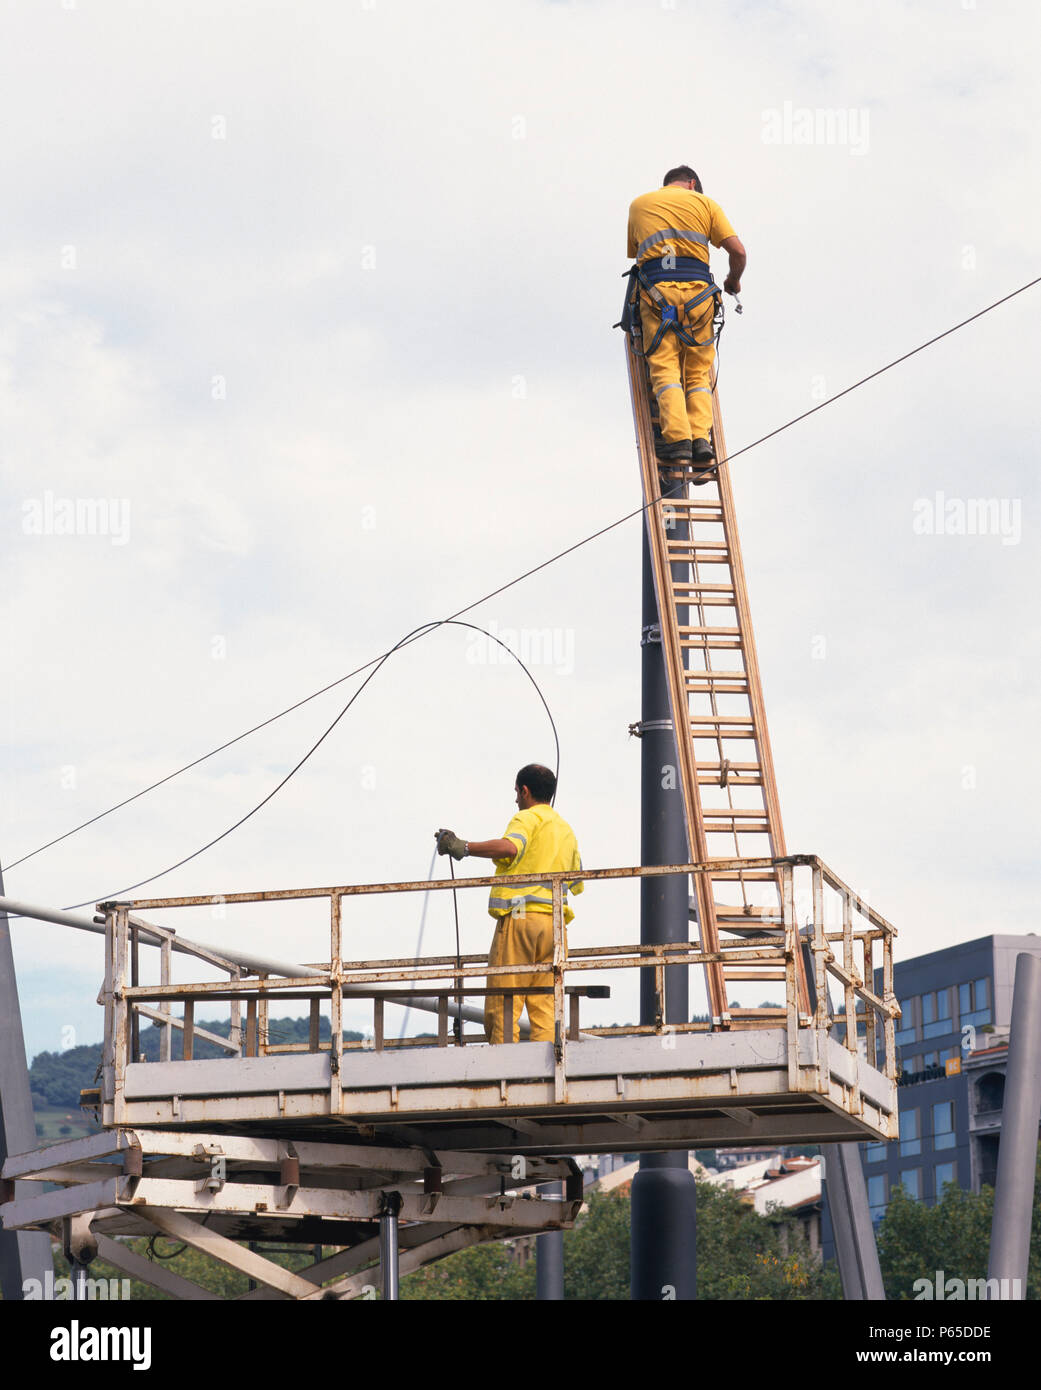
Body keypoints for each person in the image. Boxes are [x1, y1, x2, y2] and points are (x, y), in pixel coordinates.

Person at [435, 764, 582, 1045]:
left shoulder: (526, 818)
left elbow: (510, 848)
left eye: (516, 792)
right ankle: (548, 1070)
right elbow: (576, 880)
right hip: (555, 929)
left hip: (521, 919)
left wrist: (463, 847)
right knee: (545, 1008)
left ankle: (504, 1072)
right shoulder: (566, 830)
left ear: (525, 791)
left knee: (503, 1003)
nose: (516, 799)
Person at [626, 165, 747, 469]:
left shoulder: (639, 205)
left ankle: (678, 440)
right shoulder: (706, 204)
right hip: (699, 298)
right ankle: (701, 441)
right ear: (693, 184)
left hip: (657, 297)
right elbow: (739, 252)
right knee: (696, 373)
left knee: (665, 369)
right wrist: (733, 281)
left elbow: (639, 256)